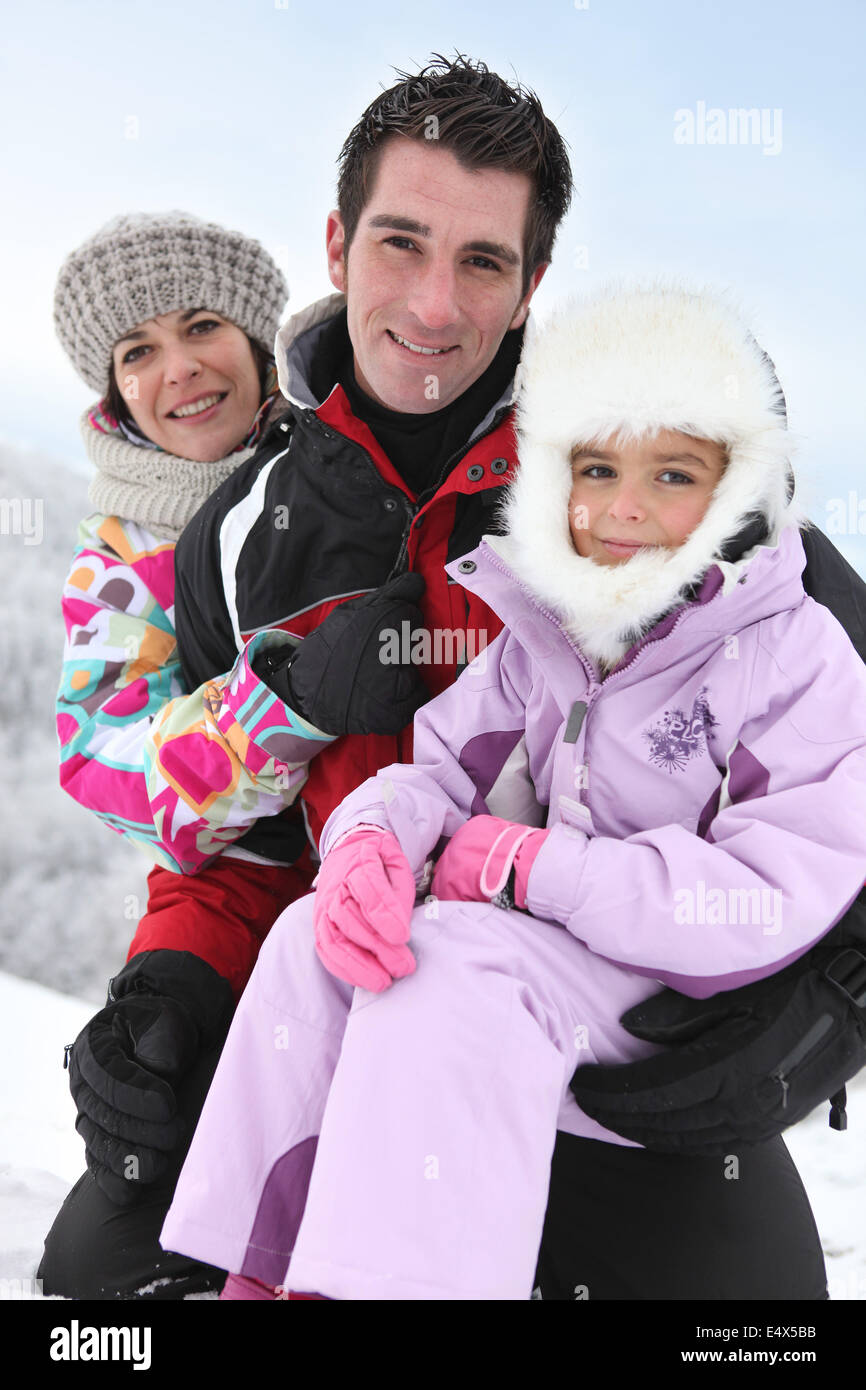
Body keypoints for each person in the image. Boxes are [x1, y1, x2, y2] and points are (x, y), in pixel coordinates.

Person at [41, 55, 866, 1301]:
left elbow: (826, 736)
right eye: (400, 243)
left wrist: (837, 992)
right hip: (357, 980)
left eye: (481, 261)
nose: (431, 304)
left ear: (532, 283)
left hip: (618, 1026)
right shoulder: (229, 532)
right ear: (335, 242)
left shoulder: (634, 461)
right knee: (102, 1287)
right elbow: (242, 849)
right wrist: (169, 988)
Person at [159, 283, 866, 1300]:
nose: (624, 507)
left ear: (734, 483)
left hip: (689, 998)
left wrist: (542, 868)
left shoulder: (789, 650)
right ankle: (268, 1271)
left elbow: (767, 889)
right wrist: (374, 840)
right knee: (317, 936)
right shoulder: (550, 628)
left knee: (458, 957)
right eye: (595, 467)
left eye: (671, 473)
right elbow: (439, 769)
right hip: (559, 955)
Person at [42, 211, 304, 1298]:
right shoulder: (122, 563)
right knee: (109, 1263)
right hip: (224, 900)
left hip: (414, 885)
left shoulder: (339, 481)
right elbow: (108, 764)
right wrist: (274, 708)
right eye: (137, 350)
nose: (178, 368)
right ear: (114, 386)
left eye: (201, 326)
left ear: (255, 342)